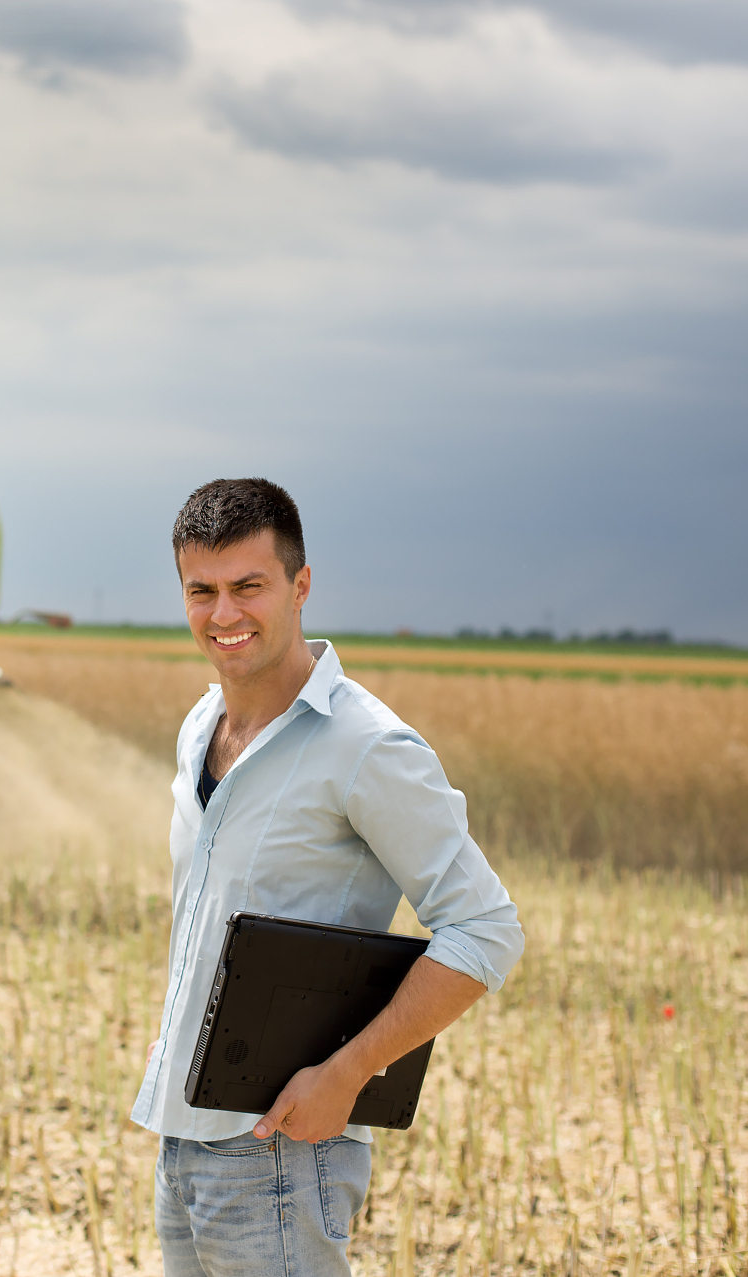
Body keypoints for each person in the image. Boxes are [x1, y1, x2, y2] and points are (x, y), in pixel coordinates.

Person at [130, 478, 524, 1277]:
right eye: (201, 590)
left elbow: (486, 929)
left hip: (282, 1150)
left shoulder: (366, 746)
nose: (224, 613)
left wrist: (346, 1074)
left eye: (249, 586)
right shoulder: (200, 724)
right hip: (181, 1138)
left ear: (301, 585)